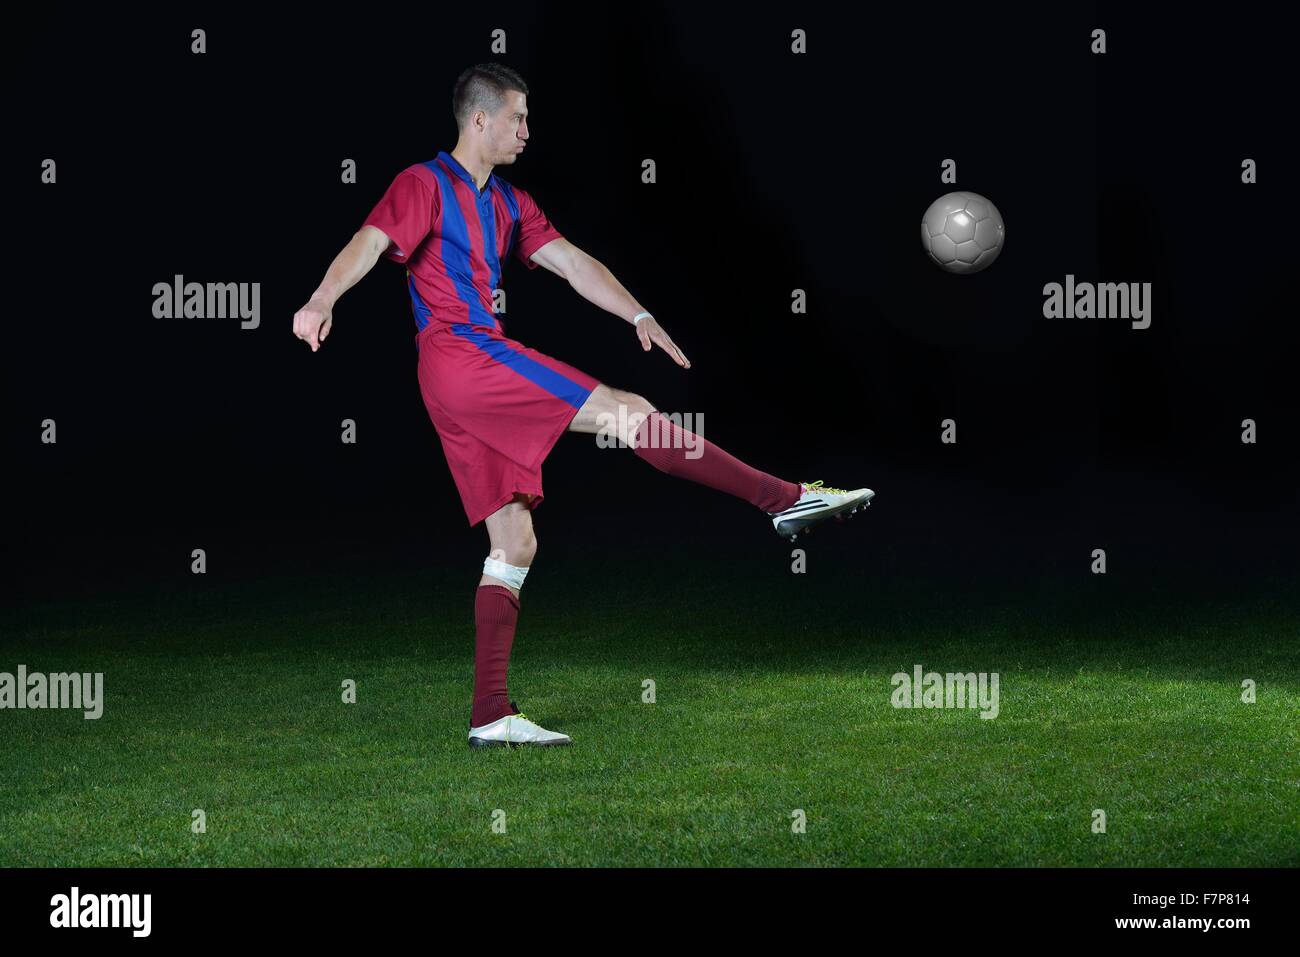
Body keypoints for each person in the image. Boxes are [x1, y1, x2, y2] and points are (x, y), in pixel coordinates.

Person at [292, 63, 874, 748]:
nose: (527, 130)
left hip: (451, 377)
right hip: (464, 356)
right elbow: (370, 241)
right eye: (518, 117)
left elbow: (572, 262)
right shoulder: (424, 184)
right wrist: (322, 298)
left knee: (515, 542)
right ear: (479, 120)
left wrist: (639, 314)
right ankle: (782, 499)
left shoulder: (508, 200)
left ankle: (490, 715)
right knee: (629, 411)